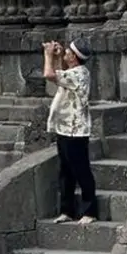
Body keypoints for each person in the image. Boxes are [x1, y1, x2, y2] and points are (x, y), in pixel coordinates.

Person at [45, 37, 96, 223]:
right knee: (65, 172)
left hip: (76, 130)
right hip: (65, 128)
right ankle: (67, 210)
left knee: (81, 170)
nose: (65, 53)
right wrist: (58, 58)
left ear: (74, 57)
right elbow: (61, 76)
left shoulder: (80, 74)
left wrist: (48, 55)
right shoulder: (73, 72)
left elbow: (50, 75)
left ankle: (89, 211)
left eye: (68, 52)